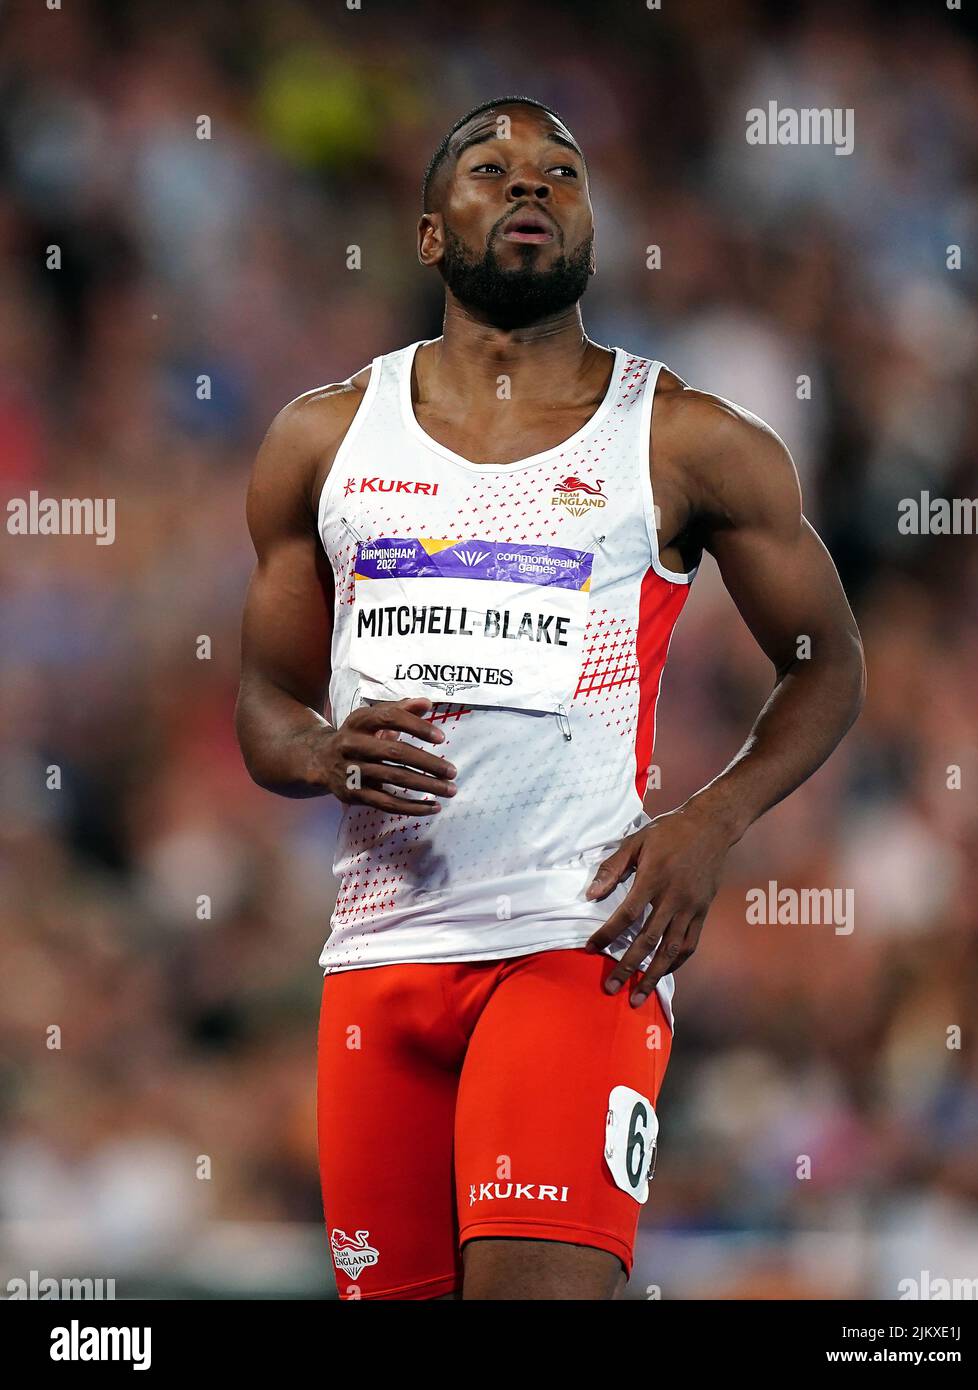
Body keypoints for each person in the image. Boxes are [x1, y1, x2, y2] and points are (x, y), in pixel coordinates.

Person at [235, 95, 865, 1300]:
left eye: (561, 172)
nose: (531, 183)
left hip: (577, 940)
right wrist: (319, 753)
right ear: (430, 234)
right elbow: (265, 703)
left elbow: (829, 662)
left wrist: (709, 822)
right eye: (492, 167)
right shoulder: (322, 441)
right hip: (379, 957)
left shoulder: (683, 440)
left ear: (589, 230)